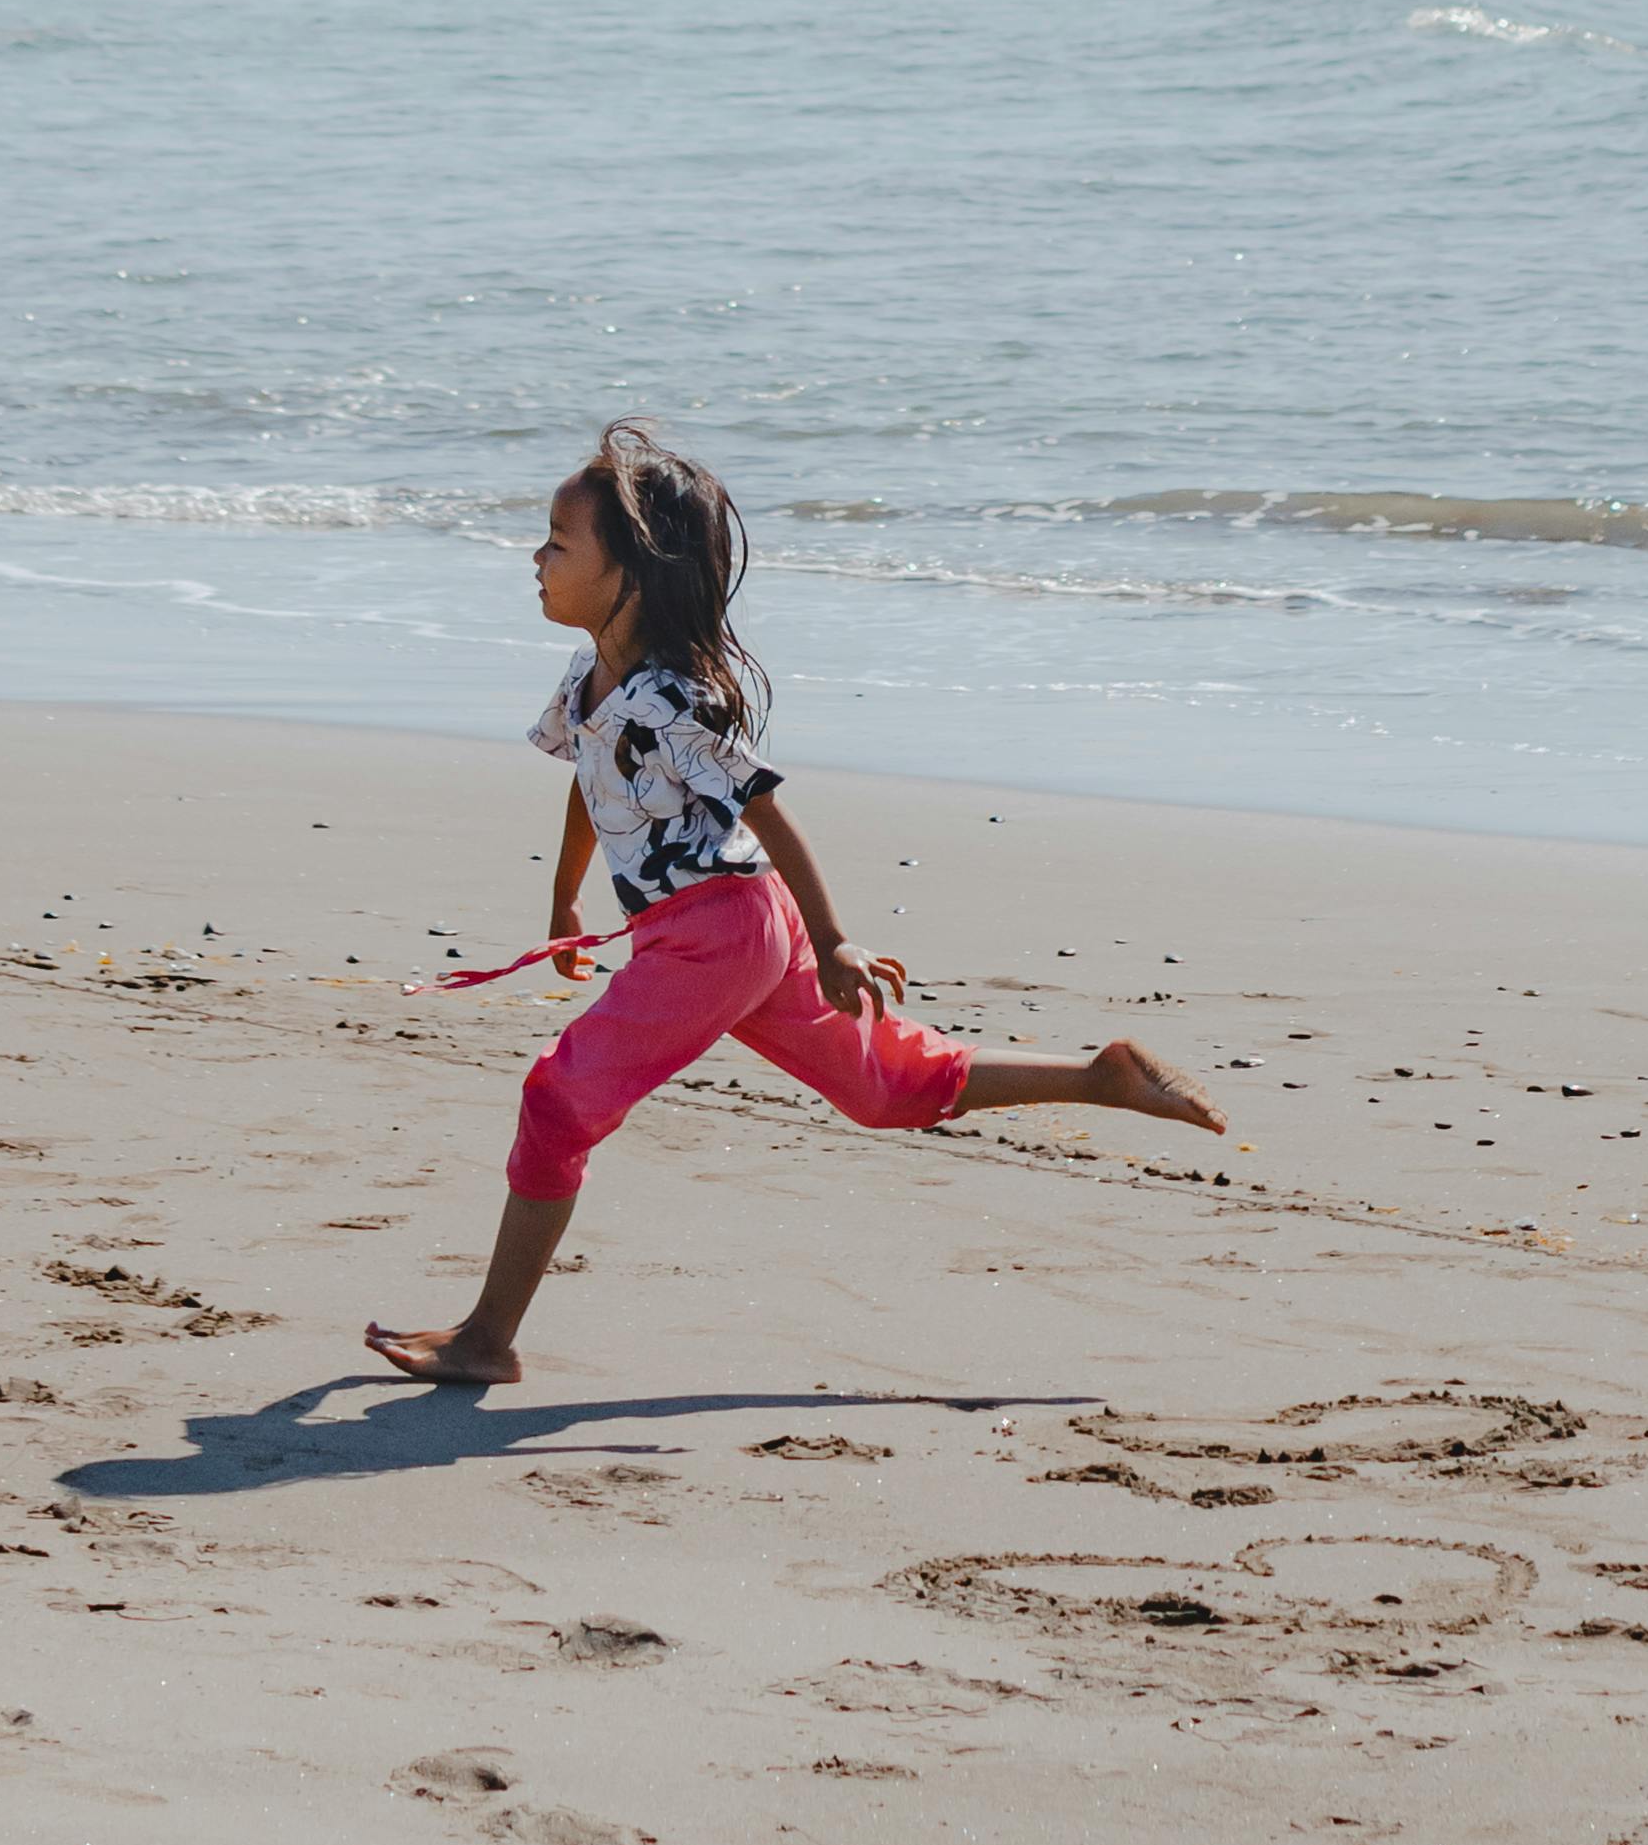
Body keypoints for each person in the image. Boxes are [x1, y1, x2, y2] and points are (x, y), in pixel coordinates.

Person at [363, 420, 1221, 1386]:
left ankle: (488, 1339)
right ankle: (1096, 1076)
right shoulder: (591, 677)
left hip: (716, 940)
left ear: (631, 574)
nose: (537, 557)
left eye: (560, 543)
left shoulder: (673, 701)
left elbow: (767, 808)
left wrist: (837, 939)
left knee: (558, 1103)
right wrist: (563, 902)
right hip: (727, 929)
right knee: (880, 1088)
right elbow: (588, 780)